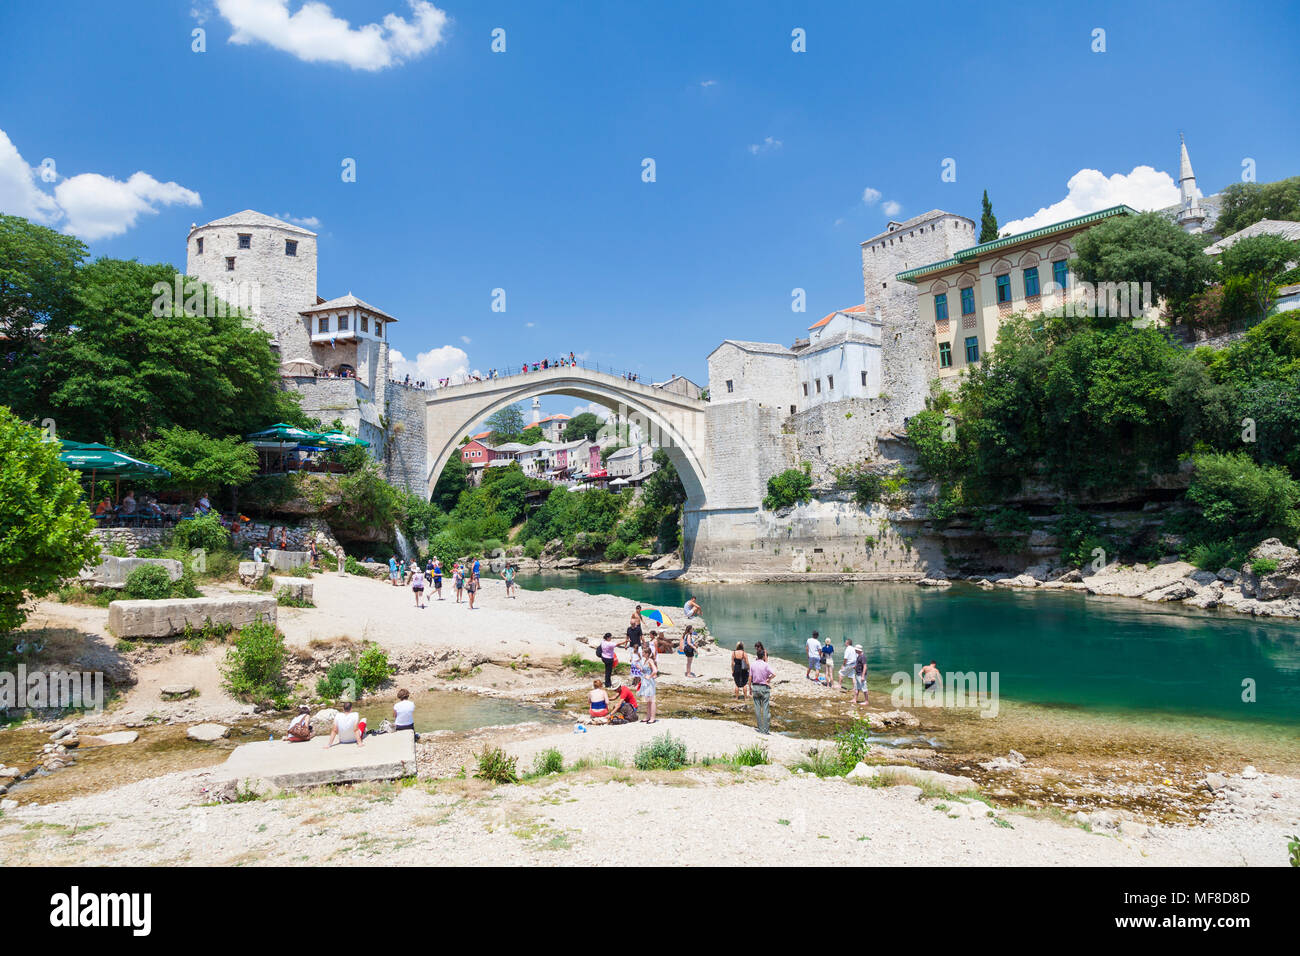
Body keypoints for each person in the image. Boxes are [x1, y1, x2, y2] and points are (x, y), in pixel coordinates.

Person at [749, 642, 774, 735]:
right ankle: (766, 730)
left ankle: (760, 728)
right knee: (766, 709)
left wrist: (749, 688)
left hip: (755, 686)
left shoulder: (752, 664)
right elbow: (774, 674)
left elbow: (750, 678)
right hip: (764, 687)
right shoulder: (765, 664)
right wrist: (768, 680)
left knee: (757, 708)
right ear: (763, 656)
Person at [640, 648, 659, 723]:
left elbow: (655, 670)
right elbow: (646, 670)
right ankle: (648, 716)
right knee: (647, 700)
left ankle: (652, 717)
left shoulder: (650, 660)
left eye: (643, 652)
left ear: (647, 653)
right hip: (645, 682)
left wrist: (649, 676)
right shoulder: (645, 660)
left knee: (652, 700)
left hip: (649, 682)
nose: (642, 653)